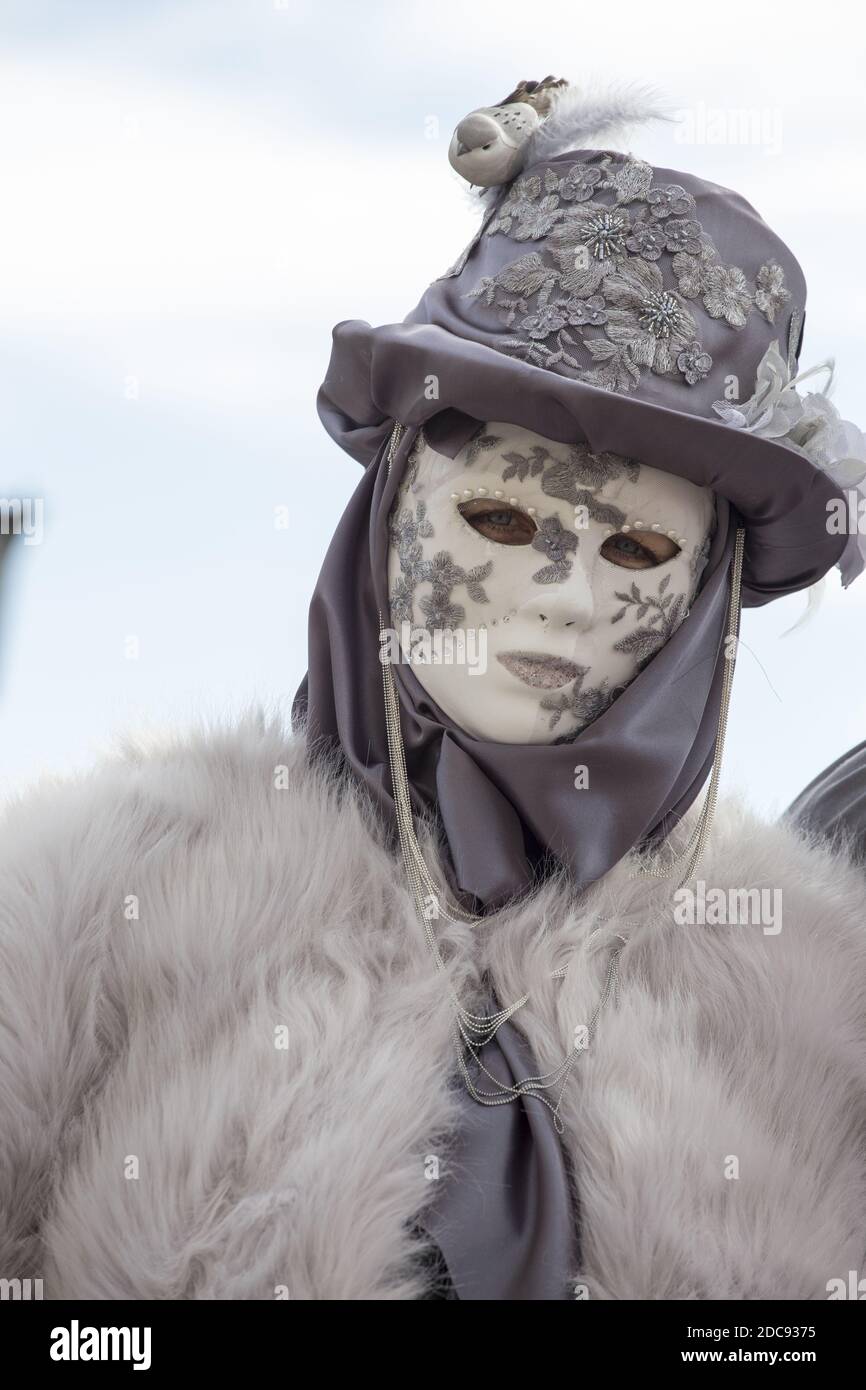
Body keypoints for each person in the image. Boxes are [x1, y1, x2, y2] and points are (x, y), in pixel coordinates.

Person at [1, 79, 865, 1301]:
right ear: (388, 517)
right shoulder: (79, 906)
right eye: (500, 516)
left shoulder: (822, 997)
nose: (563, 595)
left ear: (704, 606)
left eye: (634, 549)